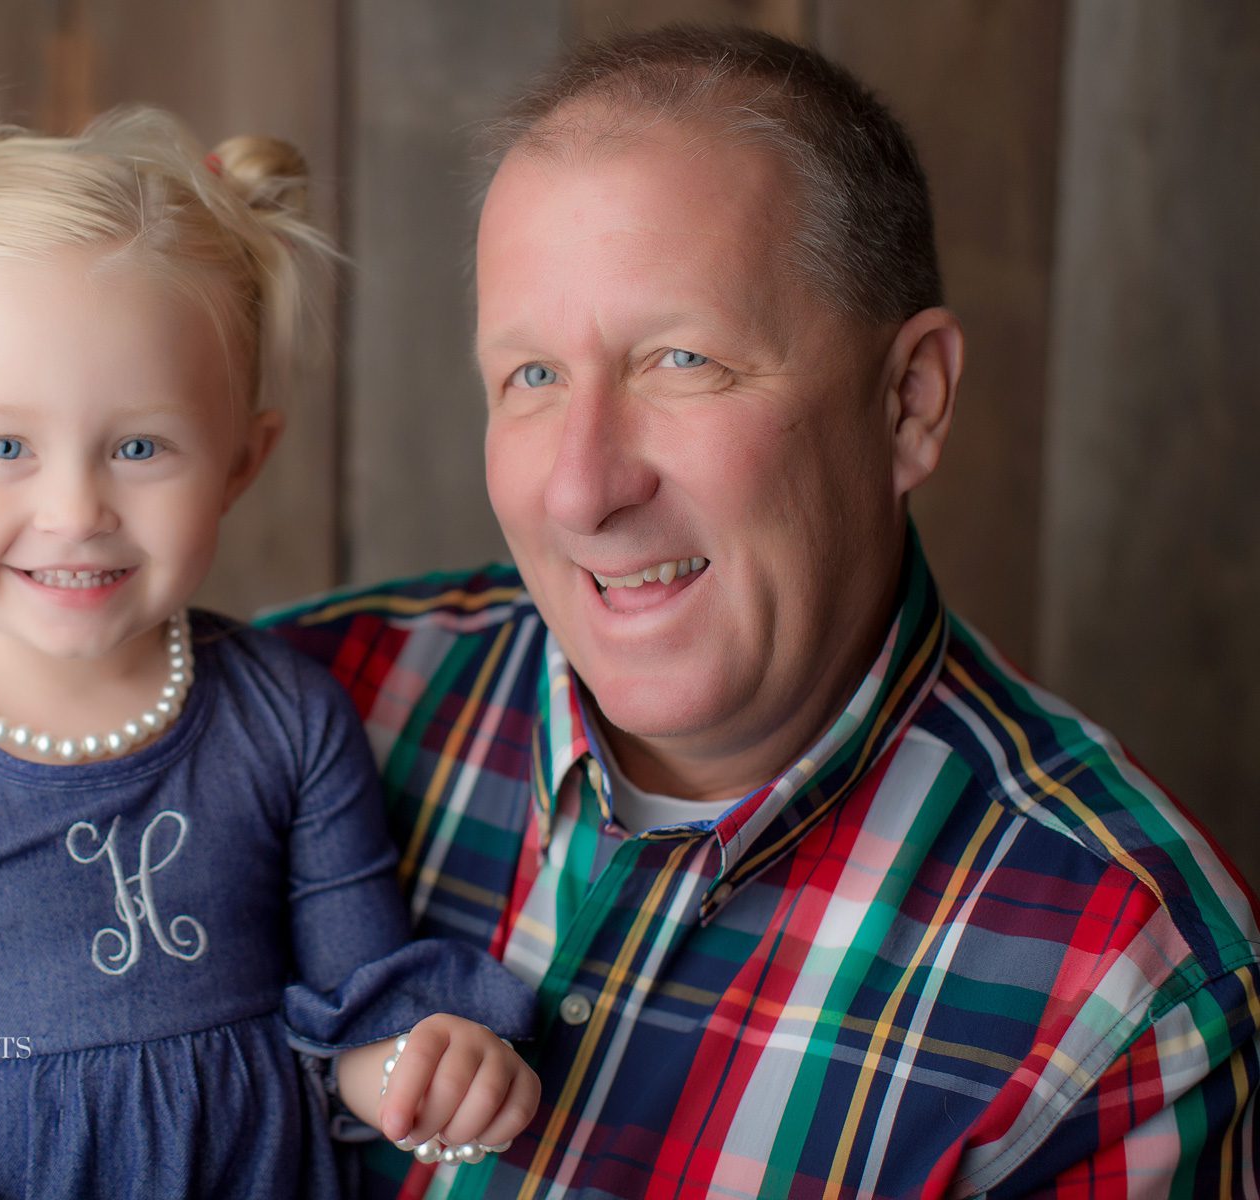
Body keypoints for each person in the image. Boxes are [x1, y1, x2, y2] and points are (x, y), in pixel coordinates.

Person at [263, 26, 1260, 1199]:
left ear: (909, 402)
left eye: (681, 360)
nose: (583, 488)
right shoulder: (295, 713)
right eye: (530, 377)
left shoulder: (1120, 987)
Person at [0, 99, 540, 1199]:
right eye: (4, 446)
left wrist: (421, 1072)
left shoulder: (289, 720)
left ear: (239, 460)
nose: (76, 508)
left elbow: (357, 1011)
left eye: (139, 445)